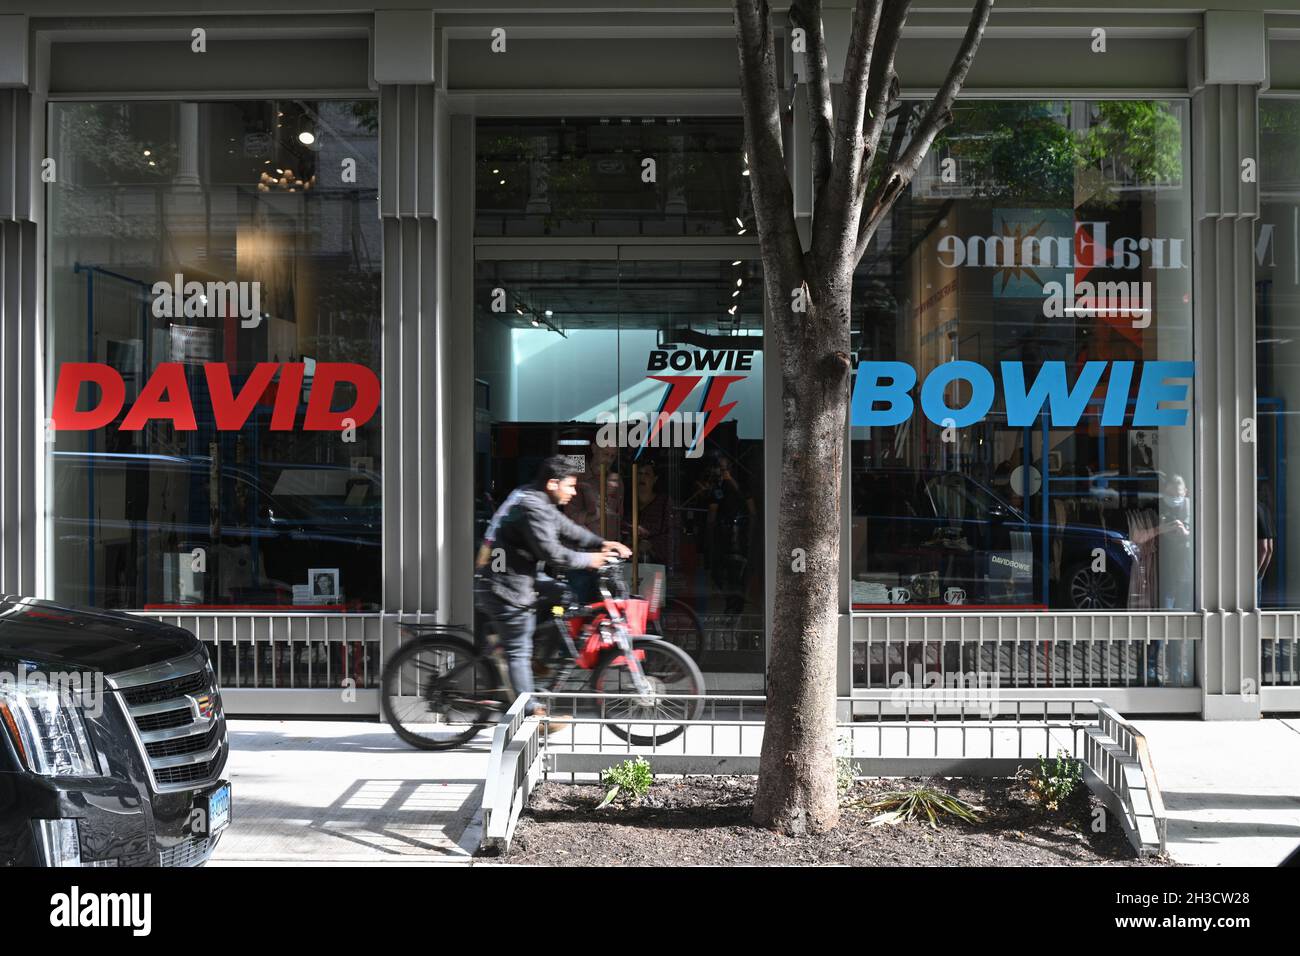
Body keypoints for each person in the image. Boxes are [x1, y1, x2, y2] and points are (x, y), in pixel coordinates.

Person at [477, 456, 632, 718]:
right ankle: (532, 713)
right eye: (570, 486)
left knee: (563, 596)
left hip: (518, 573)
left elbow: (568, 529)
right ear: (552, 483)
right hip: (503, 583)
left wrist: (601, 543)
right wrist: (591, 559)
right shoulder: (532, 507)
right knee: (518, 649)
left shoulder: (538, 499)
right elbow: (553, 554)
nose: (573, 492)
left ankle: (538, 660)